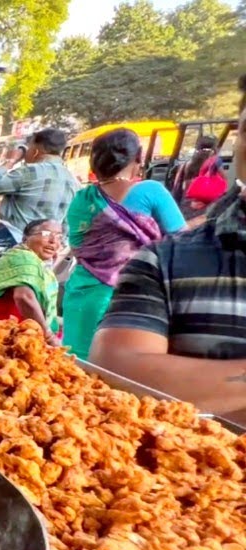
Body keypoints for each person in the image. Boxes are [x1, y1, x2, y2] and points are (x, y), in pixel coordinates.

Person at [90, 75, 246, 422]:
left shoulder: (84, 197)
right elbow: (117, 371)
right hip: (116, 290)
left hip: (85, 287)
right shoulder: (164, 258)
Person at [61, 128, 186, 357]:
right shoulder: (151, 191)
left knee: (73, 365)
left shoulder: (82, 198)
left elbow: (77, 244)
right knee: (114, 374)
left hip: (82, 292)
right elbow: (181, 241)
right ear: (138, 157)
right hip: (130, 295)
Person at [0, 219, 63, 344]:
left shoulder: (37, 264)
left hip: (12, 333)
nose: (53, 241)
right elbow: (23, 297)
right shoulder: (23, 258)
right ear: (26, 238)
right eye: (46, 234)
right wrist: (48, 337)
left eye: (59, 237)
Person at [0, 128, 80, 243]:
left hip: (17, 244)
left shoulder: (29, 172)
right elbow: (67, 224)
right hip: (46, 248)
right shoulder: (72, 180)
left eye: (29, 147)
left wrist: (11, 160)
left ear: (36, 150)